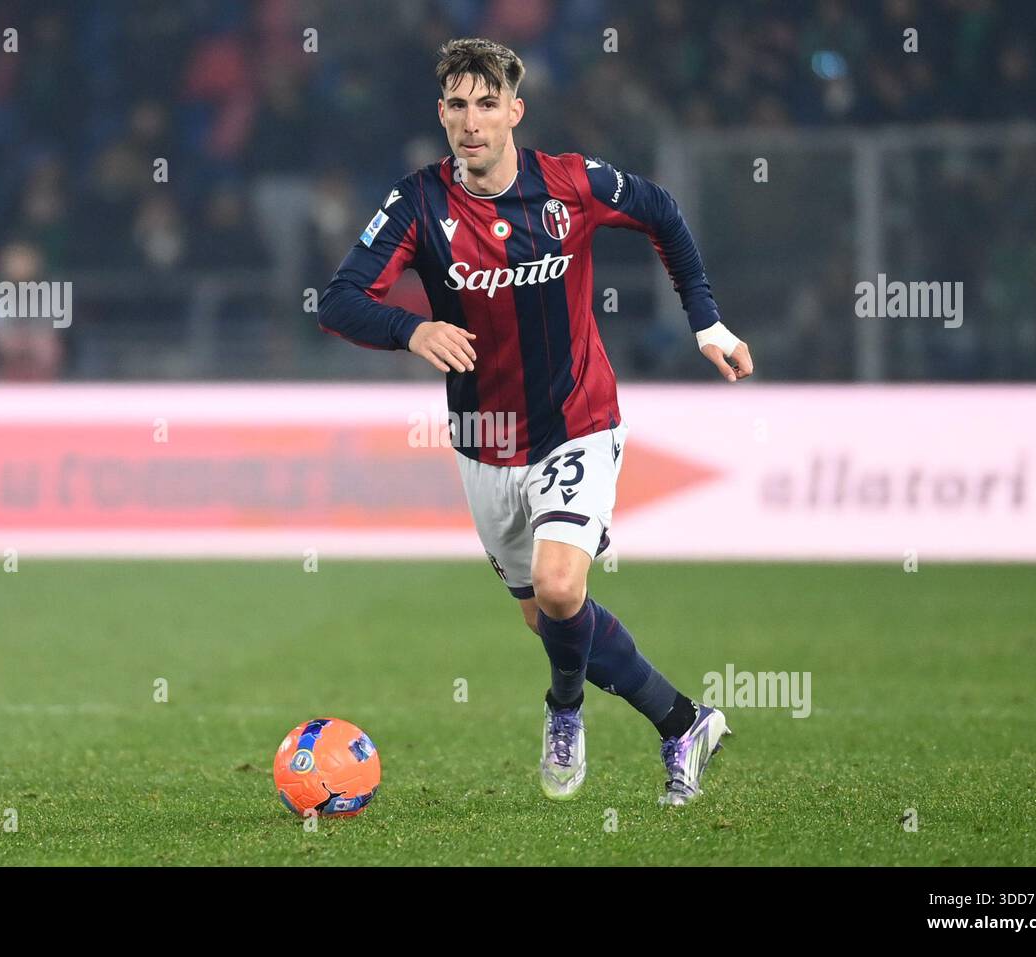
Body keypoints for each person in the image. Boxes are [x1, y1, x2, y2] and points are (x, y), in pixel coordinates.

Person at [318, 37, 753, 805]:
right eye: (457, 104)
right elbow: (341, 297)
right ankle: (685, 720)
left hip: (578, 420)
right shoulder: (418, 203)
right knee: (549, 616)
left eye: (488, 104)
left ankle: (564, 709)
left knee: (559, 589)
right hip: (485, 445)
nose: (472, 121)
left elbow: (662, 213)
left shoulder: (570, 184)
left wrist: (707, 323)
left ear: (516, 110)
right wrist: (410, 329)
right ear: (442, 114)